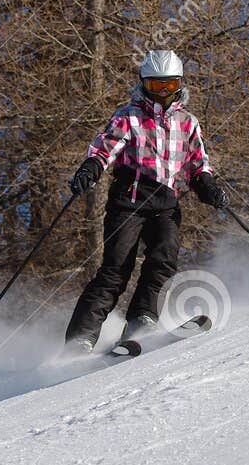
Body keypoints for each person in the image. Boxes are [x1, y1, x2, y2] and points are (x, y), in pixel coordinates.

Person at [61, 49, 228, 354]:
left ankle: (142, 319)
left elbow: (198, 162)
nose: (163, 93)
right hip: (129, 202)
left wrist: (206, 183)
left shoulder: (188, 122)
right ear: (143, 84)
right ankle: (80, 339)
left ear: (179, 84)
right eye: (156, 86)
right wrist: (91, 168)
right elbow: (104, 148)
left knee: (163, 261)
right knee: (115, 270)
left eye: (169, 85)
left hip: (166, 204)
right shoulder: (129, 116)